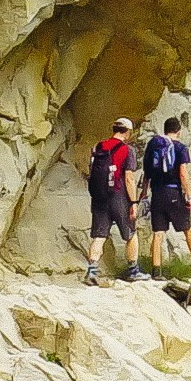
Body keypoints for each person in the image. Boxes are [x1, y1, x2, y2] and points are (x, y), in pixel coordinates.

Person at [140, 113, 191, 277]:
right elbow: (183, 173)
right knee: (188, 229)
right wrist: (189, 196)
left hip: (157, 193)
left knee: (158, 233)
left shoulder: (154, 145)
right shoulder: (180, 147)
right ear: (178, 131)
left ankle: (156, 271)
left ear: (165, 130)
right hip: (173, 192)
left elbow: (147, 172)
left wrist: (144, 192)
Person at [81, 118, 138, 282]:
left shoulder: (99, 146)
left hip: (99, 197)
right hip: (118, 196)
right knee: (131, 234)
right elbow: (129, 178)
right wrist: (133, 203)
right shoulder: (127, 150)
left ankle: (91, 271)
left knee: (99, 236)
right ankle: (133, 271)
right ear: (127, 132)